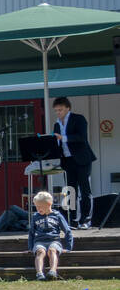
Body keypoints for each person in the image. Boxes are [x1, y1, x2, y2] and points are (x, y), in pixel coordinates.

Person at [52, 96, 97, 229]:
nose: (58, 113)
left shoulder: (78, 119)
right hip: (67, 160)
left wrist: (63, 138)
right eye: (56, 110)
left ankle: (86, 220)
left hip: (82, 159)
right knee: (70, 191)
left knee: (84, 190)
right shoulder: (56, 124)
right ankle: (72, 220)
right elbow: (58, 143)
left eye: (60, 110)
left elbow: (81, 137)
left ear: (68, 108)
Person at [28, 191, 73, 280]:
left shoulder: (57, 216)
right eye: (36, 206)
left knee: (52, 250)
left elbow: (67, 231)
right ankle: (39, 273)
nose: (37, 209)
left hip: (54, 240)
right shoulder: (36, 216)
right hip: (40, 241)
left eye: (40, 206)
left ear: (49, 204)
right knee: (40, 252)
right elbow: (31, 233)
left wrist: (68, 247)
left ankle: (53, 271)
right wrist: (30, 247)